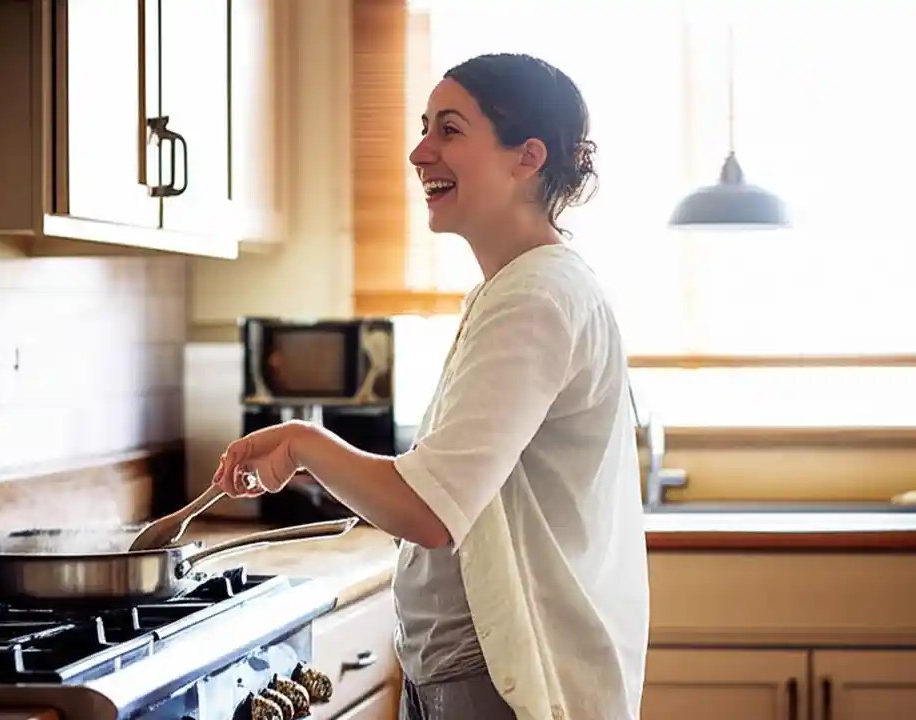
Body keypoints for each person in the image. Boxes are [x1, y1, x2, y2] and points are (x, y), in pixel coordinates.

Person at [212, 52, 648, 720]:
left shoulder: (535, 297)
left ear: (525, 157)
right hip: (475, 674)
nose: (419, 152)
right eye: (424, 128)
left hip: (499, 684)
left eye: (449, 129)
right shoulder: (516, 288)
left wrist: (304, 442)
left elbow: (428, 511)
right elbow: (445, 485)